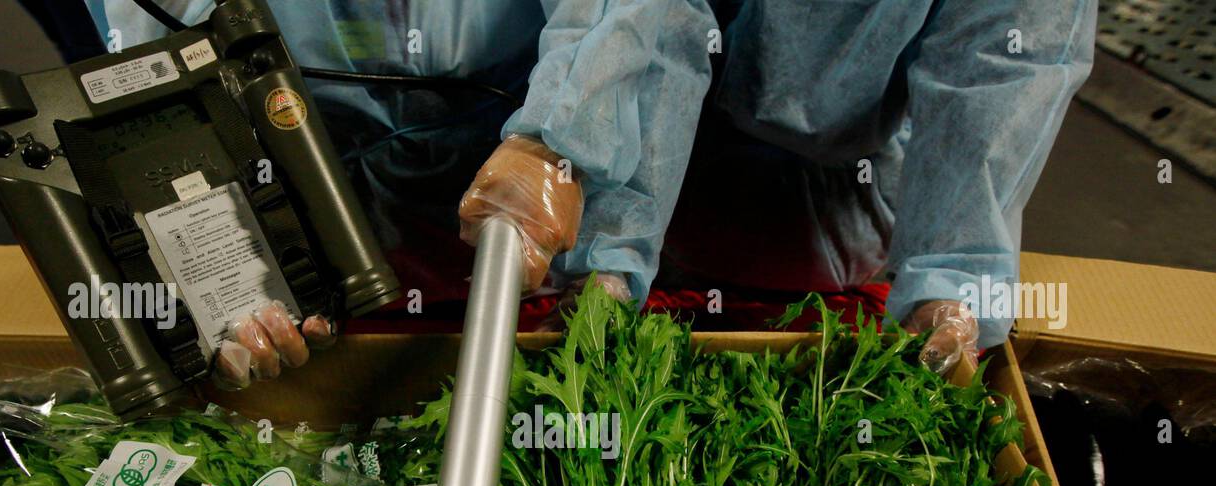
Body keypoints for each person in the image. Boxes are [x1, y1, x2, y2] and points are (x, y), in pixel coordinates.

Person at [83, 0, 715, 388]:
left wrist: (564, 152)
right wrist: (222, 270)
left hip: (533, 198)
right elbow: (168, 78)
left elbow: (639, 18)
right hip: (328, 222)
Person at [663, 0, 1096, 374]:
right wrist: (615, 232)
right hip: (669, 195)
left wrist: (951, 281)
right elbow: (643, 24)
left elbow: (998, 71)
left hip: (855, 219)